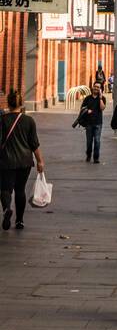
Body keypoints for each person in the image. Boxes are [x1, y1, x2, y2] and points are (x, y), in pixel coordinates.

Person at [0, 89, 46, 230]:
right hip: (24, 161)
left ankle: (7, 208)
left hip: (6, 161)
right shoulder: (28, 120)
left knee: (5, 189)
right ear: (21, 103)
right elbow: (34, 143)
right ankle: (19, 221)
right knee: (20, 190)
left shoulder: (2, 120)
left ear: (9, 103)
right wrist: (40, 161)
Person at [76, 81, 106, 163]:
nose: (96, 88)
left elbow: (102, 108)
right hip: (88, 123)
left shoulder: (102, 98)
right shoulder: (87, 98)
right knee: (89, 142)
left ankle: (96, 158)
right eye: (95, 86)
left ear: (100, 89)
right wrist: (87, 110)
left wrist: (100, 98)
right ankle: (88, 155)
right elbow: (82, 108)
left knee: (97, 141)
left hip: (98, 123)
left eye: (98, 87)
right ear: (92, 87)